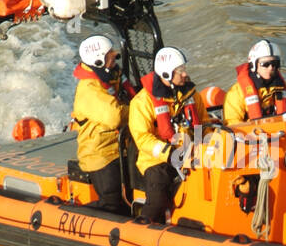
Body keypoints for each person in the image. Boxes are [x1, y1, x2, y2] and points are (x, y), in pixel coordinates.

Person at [129, 46, 209, 223]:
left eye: (184, 70)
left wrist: (209, 146)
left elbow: (204, 124)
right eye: (180, 71)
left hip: (191, 154)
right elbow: (142, 138)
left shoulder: (191, 95)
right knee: (158, 200)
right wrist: (170, 153)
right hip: (156, 160)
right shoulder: (142, 102)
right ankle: (143, 227)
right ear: (166, 74)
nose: (185, 74)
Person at [71, 34, 135, 213]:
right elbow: (113, 116)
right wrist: (137, 111)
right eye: (110, 55)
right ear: (98, 60)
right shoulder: (89, 90)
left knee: (126, 198)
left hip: (119, 148)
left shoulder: (111, 77)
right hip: (100, 154)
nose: (115, 56)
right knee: (112, 202)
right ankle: (71, 215)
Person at [223, 39, 286, 125]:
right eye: (265, 64)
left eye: (274, 63)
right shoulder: (236, 93)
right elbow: (232, 124)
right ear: (254, 65)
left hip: (280, 132)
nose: (271, 67)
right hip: (251, 135)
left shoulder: (284, 88)